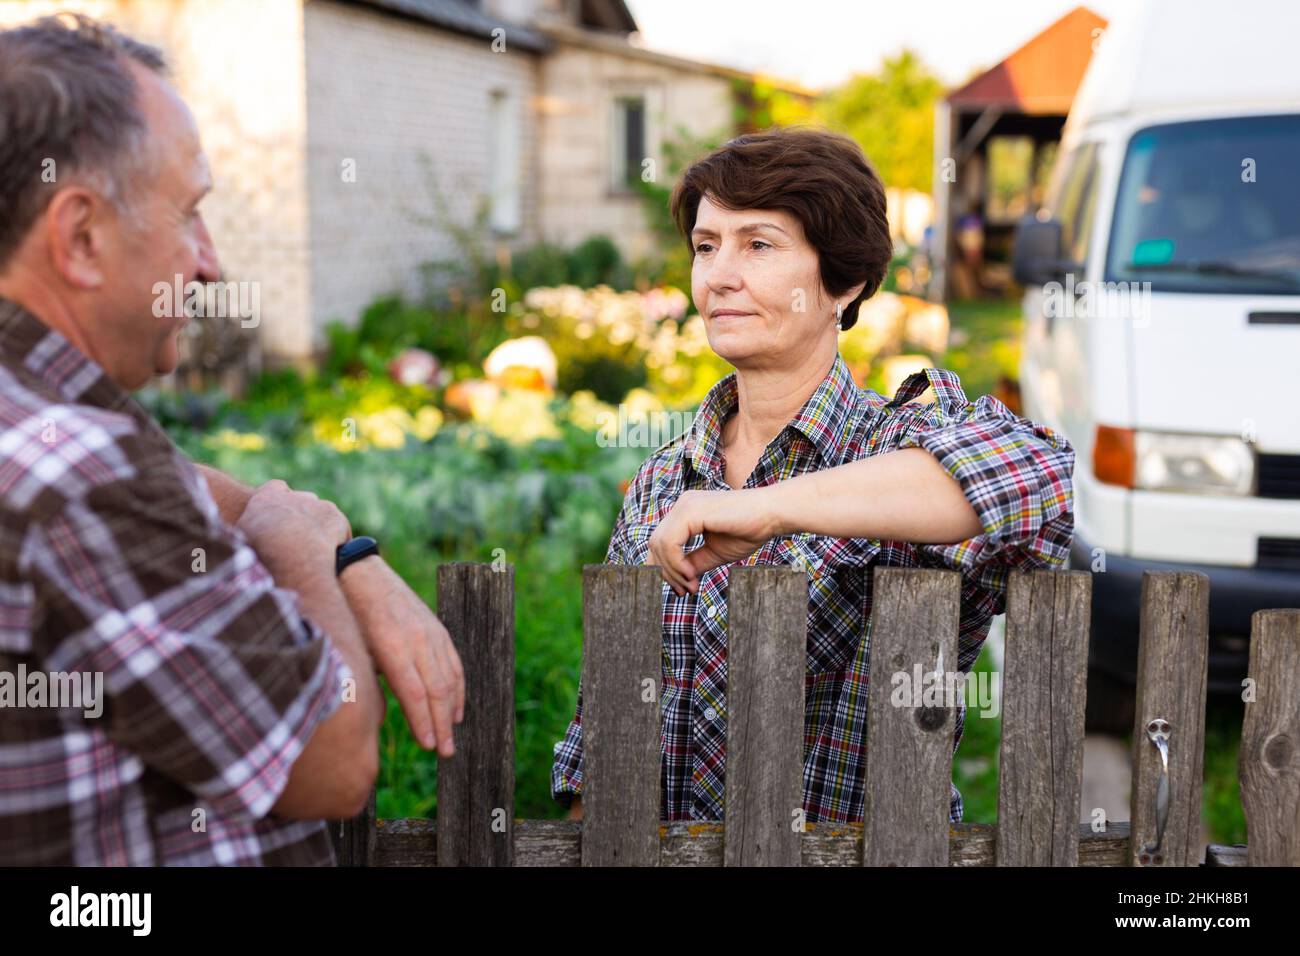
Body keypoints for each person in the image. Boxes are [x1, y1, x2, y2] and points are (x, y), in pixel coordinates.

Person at [0, 14, 463, 865]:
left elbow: (169, 474)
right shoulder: (82, 475)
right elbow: (330, 763)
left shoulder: (38, 414)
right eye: (191, 213)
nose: (210, 264)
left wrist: (349, 555)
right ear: (82, 237)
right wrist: (303, 548)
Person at [552, 127, 1075, 825]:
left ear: (845, 282)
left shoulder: (898, 441)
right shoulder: (661, 481)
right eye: (707, 246)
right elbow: (603, 740)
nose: (719, 275)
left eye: (759, 245)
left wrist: (769, 509)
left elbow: (1038, 478)